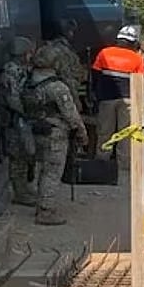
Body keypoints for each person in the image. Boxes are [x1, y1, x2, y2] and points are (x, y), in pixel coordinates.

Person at [23, 45, 90, 225]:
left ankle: (39, 202)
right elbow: (71, 115)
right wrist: (82, 133)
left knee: (39, 170)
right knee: (52, 172)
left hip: (34, 131)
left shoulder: (28, 82)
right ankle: (46, 211)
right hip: (55, 133)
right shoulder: (57, 87)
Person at [90, 25, 144, 167]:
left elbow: (95, 75)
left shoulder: (104, 53)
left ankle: (102, 161)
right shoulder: (137, 58)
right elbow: (140, 81)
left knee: (104, 131)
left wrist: (96, 94)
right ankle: (124, 164)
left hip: (106, 98)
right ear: (133, 42)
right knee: (125, 133)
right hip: (128, 100)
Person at [0, 36, 37, 206]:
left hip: (19, 118)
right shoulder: (11, 72)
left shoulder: (18, 69)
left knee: (25, 154)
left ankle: (24, 188)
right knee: (18, 156)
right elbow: (13, 99)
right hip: (15, 120)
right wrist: (27, 112)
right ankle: (19, 192)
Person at [42, 18, 86, 102]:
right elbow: (67, 74)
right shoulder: (63, 50)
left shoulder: (50, 46)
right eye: (71, 31)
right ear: (67, 32)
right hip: (65, 88)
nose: (72, 34)